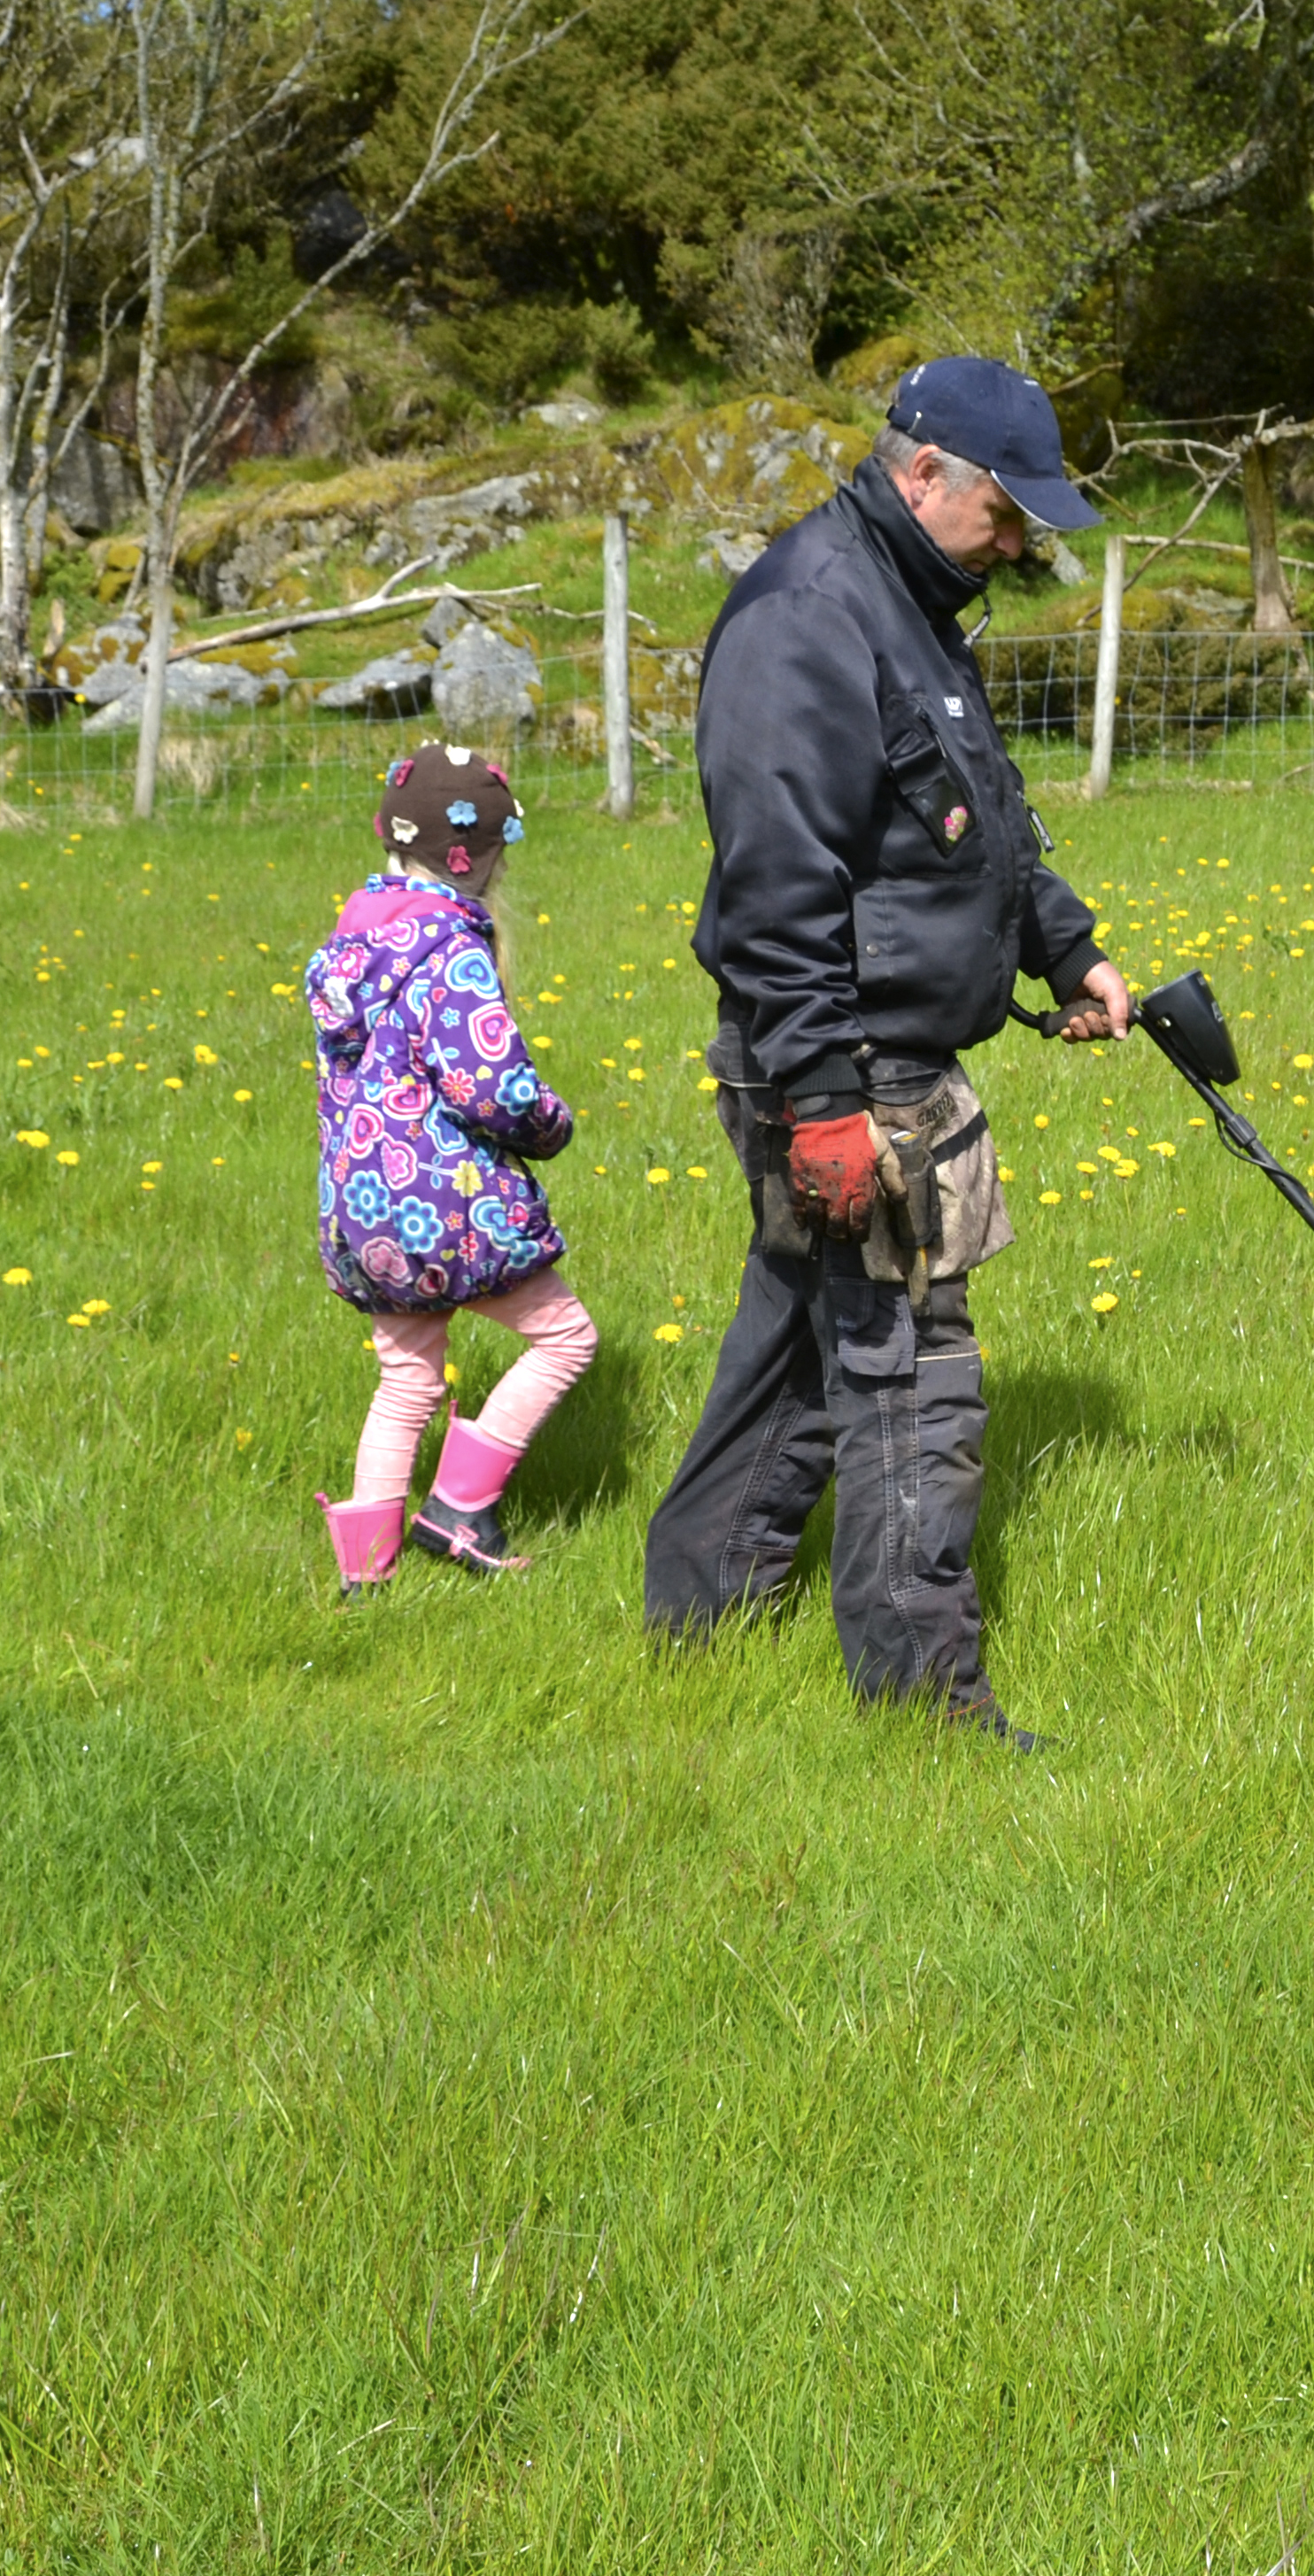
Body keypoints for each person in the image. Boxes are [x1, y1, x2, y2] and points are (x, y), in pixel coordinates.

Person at [644, 355, 1131, 1743]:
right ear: (926, 474)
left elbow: (975, 813)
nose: (1024, 542)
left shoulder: (916, 604)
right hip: (847, 1060)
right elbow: (777, 881)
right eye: (1009, 511)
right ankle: (925, 1703)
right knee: (915, 1372)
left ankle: (701, 1615)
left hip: (876, 1050)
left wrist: (1067, 946)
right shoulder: (807, 618)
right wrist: (823, 1101)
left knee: (807, 1343)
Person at [309, 741, 603, 1591]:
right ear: (470, 860)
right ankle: (457, 1511)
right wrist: (550, 1126)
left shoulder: (349, 945)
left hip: (360, 1212)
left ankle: (364, 1576)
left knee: (405, 1377)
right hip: (447, 1208)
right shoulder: (450, 949)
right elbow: (494, 1087)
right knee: (565, 1340)